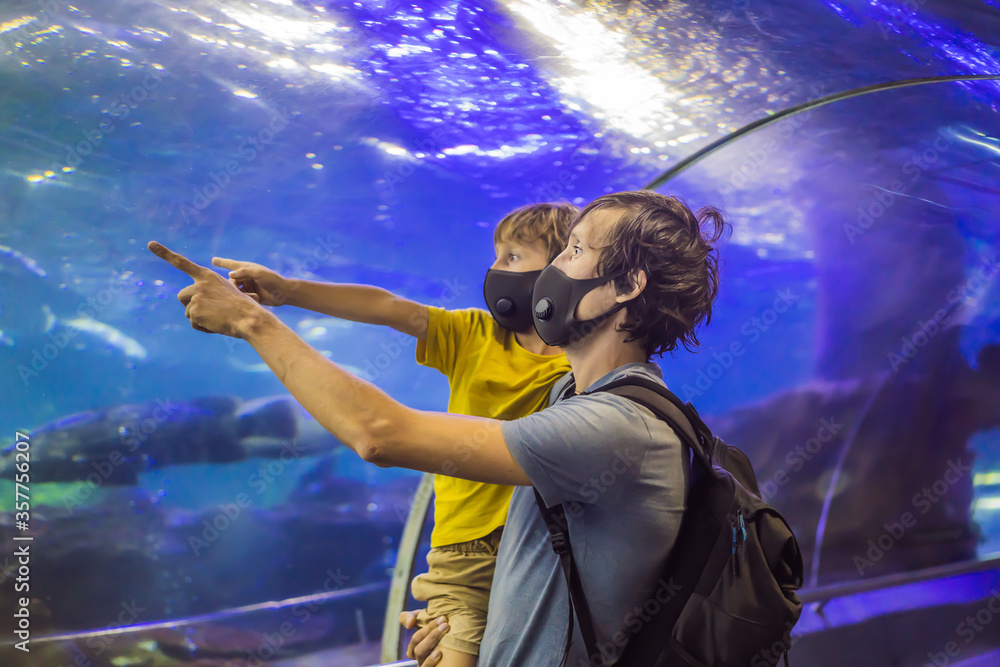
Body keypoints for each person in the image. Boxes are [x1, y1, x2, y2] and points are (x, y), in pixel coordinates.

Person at [149, 189, 727, 666]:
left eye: (572, 252)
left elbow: (379, 433)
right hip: (465, 568)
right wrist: (471, 620)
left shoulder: (609, 425)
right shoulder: (568, 396)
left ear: (626, 288)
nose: (552, 272)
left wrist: (253, 320)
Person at [207, 203, 576, 667]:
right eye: (496, 255)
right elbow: (388, 308)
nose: (496, 269)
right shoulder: (474, 334)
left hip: (545, 546)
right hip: (464, 551)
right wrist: (289, 291)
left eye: (513, 257)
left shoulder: (583, 363)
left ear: (562, 268)